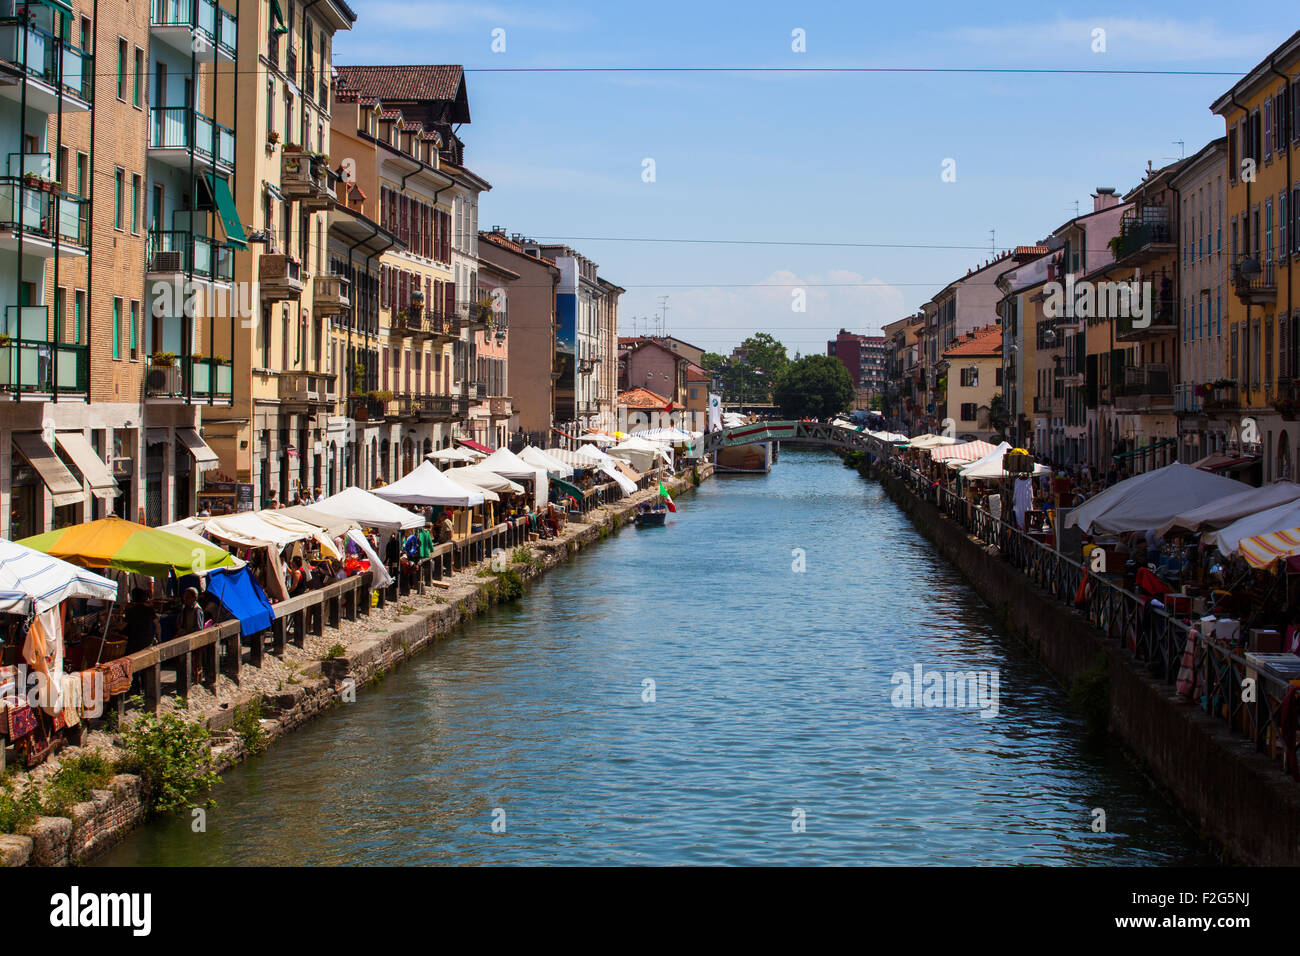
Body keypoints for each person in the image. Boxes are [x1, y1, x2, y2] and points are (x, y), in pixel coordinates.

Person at [123, 587, 160, 655]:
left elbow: (122, 626)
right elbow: (157, 625)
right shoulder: (149, 609)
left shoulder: (131, 610)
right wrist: (159, 639)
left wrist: (114, 624)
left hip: (134, 642)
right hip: (148, 640)